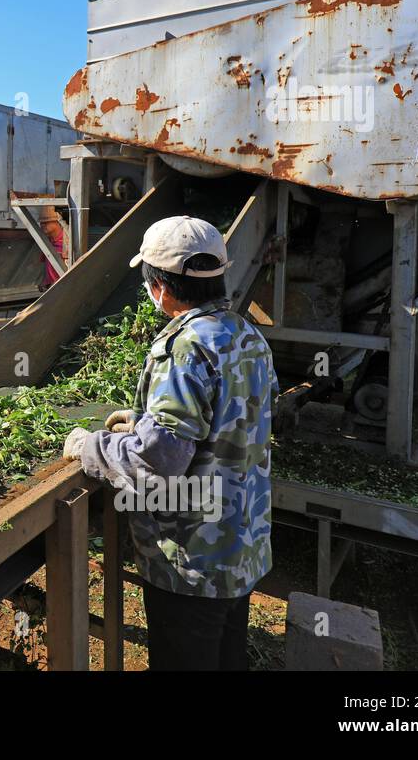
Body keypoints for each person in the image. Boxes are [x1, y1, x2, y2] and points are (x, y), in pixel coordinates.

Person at [63, 215, 277, 670]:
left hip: (192, 561)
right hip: (241, 545)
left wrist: (89, 446)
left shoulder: (184, 347)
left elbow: (158, 460)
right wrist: (142, 420)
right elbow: (226, 422)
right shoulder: (247, 335)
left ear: (159, 286)